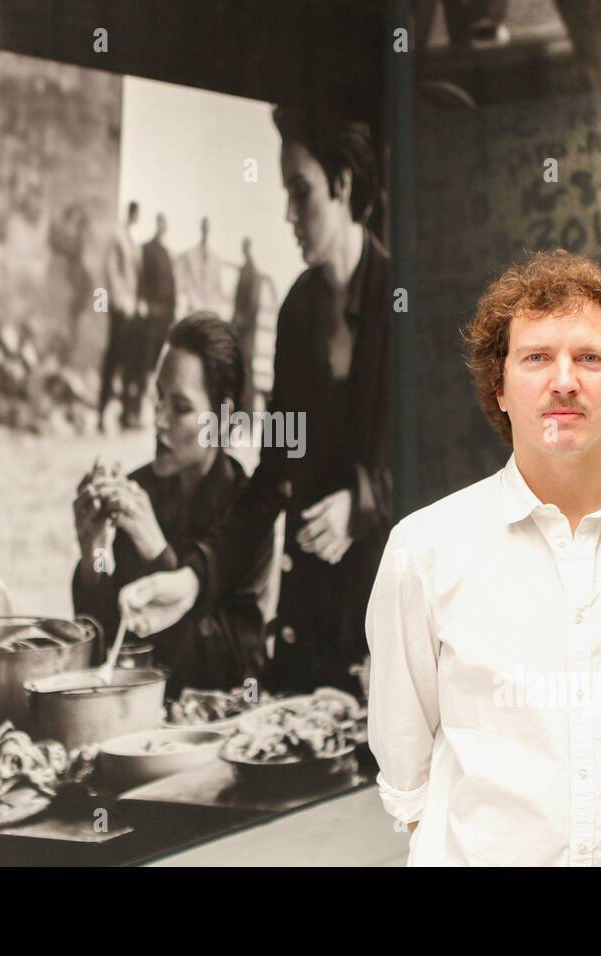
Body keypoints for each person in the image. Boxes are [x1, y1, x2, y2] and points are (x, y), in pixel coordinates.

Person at [366, 250, 601, 866]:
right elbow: (404, 754)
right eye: (536, 357)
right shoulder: (425, 547)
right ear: (500, 386)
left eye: (590, 358)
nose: (563, 380)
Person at [119, 107, 392, 698]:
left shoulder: (407, 301)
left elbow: (452, 466)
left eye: (301, 193)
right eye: (285, 194)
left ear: (343, 186)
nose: (289, 214)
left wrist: (363, 502)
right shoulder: (297, 313)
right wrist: (192, 579)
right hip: (311, 614)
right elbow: (272, 477)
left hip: (395, 602)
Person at [72, 314, 273, 698]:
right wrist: (93, 559)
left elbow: (235, 670)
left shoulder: (247, 513)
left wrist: (157, 553)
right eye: (158, 399)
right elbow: (102, 654)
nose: (159, 420)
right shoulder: (138, 489)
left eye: (179, 407)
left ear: (224, 418)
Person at [99, 201, 142, 431]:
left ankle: (122, 416)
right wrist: (119, 301)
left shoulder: (132, 242)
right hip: (119, 308)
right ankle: (101, 413)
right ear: (130, 214)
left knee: (126, 361)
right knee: (113, 359)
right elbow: (111, 271)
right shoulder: (118, 237)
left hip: (129, 308)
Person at [135, 212, 177, 416]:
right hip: (151, 315)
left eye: (165, 224)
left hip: (164, 317)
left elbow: (171, 286)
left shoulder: (167, 254)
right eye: (160, 223)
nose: (162, 227)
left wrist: (172, 315)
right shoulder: (147, 249)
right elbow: (141, 278)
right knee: (144, 359)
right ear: (156, 224)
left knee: (156, 363)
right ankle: (138, 405)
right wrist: (143, 303)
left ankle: (149, 405)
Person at [230, 237, 263, 413]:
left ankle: (247, 412)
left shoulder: (253, 273)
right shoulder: (245, 270)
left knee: (247, 372)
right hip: (241, 333)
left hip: (247, 334)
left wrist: (238, 321)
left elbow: (252, 306)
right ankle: (242, 410)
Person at [176, 217, 224, 317]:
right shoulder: (190, 255)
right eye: (204, 227)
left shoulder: (216, 260)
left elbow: (217, 289)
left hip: (209, 311)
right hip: (193, 309)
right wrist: (196, 305)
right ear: (201, 228)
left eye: (207, 228)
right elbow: (185, 283)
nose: (205, 230)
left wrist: (209, 309)